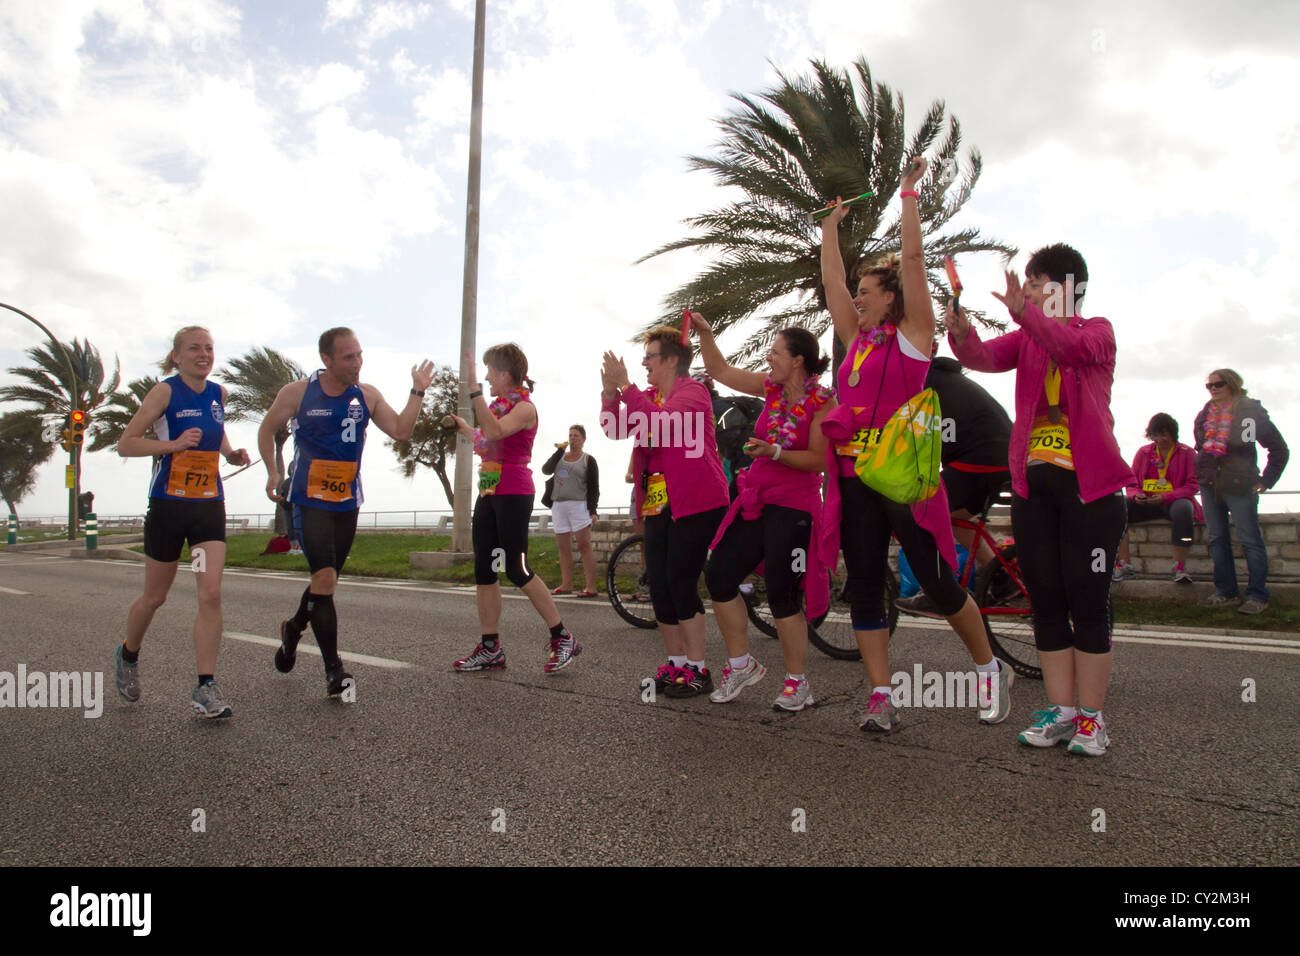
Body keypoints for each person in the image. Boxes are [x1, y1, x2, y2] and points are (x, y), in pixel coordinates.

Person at [813, 156, 1013, 733]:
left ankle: (986, 670)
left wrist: (907, 195)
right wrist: (829, 231)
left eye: (865, 292)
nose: (856, 298)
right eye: (857, 292)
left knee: (937, 580)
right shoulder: (854, 342)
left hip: (904, 475)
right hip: (855, 480)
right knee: (867, 585)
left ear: (891, 299)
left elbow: (914, 260)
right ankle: (881, 696)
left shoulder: (915, 337)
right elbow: (830, 287)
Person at [947, 243, 1131, 756]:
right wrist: (962, 336)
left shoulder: (1097, 331)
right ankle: (1062, 712)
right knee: (1046, 601)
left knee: (1088, 604)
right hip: (1032, 490)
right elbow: (983, 357)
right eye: (1025, 282)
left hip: (1090, 492)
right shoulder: (1027, 338)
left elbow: (1068, 350)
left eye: (1034, 281)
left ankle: (1093, 720)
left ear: (1062, 288)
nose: (1025, 289)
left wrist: (1024, 313)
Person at [260, 328, 434, 695]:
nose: (357, 363)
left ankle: (293, 628)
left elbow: (402, 430)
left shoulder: (367, 396)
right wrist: (274, 472)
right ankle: (334, 670)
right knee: (323, 579)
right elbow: (266, 429)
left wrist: (418, 390)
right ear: (327, 360)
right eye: (348, 357)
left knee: (325, 583)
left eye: (359, 355)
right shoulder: (298, 393)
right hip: (309, 502)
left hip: (347, 503)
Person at [693, 316, 835, 711]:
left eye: (775, 352)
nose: (768, 357)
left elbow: (819, 460)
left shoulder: (823, 401)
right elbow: (720, 371)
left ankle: (797, 682)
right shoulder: (769, 389)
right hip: (757, 498)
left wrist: (774, 452)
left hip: (795, 504)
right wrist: (706, 335)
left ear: (798, 360)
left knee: (782, 593)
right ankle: (740, 665)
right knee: (719, 575)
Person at [115, 326, 251, 718]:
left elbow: (217, 430)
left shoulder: (218, 394)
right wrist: (172, 445)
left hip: (207, 508)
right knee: (155, 597)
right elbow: (127, 443)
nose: (204, 354)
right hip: (168, 508)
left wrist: (228, 453)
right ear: (177, 356)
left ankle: (205, 686)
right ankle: (128, 654)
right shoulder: (165, 392)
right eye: (194, 348)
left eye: (209, 347)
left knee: (210, 593)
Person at [601, 327, 730, 698]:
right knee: (658, 583)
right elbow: (613, 429)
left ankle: (699, 668)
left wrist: (626, 388)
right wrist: (611, 394)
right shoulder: (652, 397)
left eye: (650, 357)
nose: (644, 364)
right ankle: (676, 665)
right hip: (658, 501)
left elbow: (661, 423)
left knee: (680, 580)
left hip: (696, 501)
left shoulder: (693, 391)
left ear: (672, 360)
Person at [446, 344, 582, 673]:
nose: (489, 377)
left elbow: (495, 430)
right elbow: (487, 440)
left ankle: (562, 637)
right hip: (489, 493)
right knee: (484, 570)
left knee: (516, 569)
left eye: (491, 371)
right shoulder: (500, 407)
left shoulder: (524, 408)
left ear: (505, 374)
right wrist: (466, 430)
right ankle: (490, 648)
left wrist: (474, 390)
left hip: (514, 493)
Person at [894, 352, 1012, 616]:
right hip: (1000, 457)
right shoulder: (944, 379)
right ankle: (1000, 576)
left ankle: (939, 592)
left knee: (921, 513)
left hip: (979, 460)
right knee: (955, 517)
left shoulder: (922, 383)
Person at [1193, 369, 1289, 614]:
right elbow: (1200, 445)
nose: (1213, 388)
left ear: (1233, 384)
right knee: (1217, 539)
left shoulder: (1250, 411)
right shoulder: (1205, 414)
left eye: (1219, 384)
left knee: (1250, 540)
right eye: (1210, 385)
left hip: (1240, 485)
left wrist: (1267, 480)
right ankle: (1226, 591)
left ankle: (1257, 596)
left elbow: (1278, 449)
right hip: (1209, 484)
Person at [1114, 413, 1201, 584]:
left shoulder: (1188, 453)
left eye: (1164, 434)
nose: (1160, 439)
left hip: (1174, 502)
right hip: (1147, 502)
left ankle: (1179, 566)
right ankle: (1124, 565)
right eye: (1155, 435)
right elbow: (1131, 482)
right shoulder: (1144, 452)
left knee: (1184, 510)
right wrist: (1136, 495)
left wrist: (1166, 496)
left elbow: (1193, 485)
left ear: (1173, 434)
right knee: (1118, 506)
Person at [541, 424, 600, 597]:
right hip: (559, 505)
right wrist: (559, 451)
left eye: (576, 436)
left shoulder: (588, 460)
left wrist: (593, 510)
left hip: (579, 505)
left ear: (583, 439)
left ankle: (591, 587)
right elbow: (546, 470)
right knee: (563, 547)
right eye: (571, 435)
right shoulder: (560, 456)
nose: (573, 438)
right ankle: (566, 585)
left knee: (584, 545)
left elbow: (594, 487)